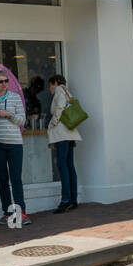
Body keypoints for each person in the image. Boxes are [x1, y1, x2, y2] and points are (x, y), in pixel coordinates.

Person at [0, 70, 30, 223]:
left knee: (16, 179)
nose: (4, 84)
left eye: (6, 81)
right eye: (0, 81)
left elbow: (22, 120)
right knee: (2, 179)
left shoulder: (15, 97)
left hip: (14, 144)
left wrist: (8, 115)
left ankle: (21, 213)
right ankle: (7, 212)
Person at [47, 74, 82, 213]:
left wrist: (53, 122)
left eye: (50, 85)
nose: (49, 88)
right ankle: (73, 199)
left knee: (62, 166)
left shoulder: (59, 90)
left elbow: (60, 107)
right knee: (69, 166)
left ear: (55, 83)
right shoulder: (67, 92)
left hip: (62, 134)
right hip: (70, 132)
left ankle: (65, 200)